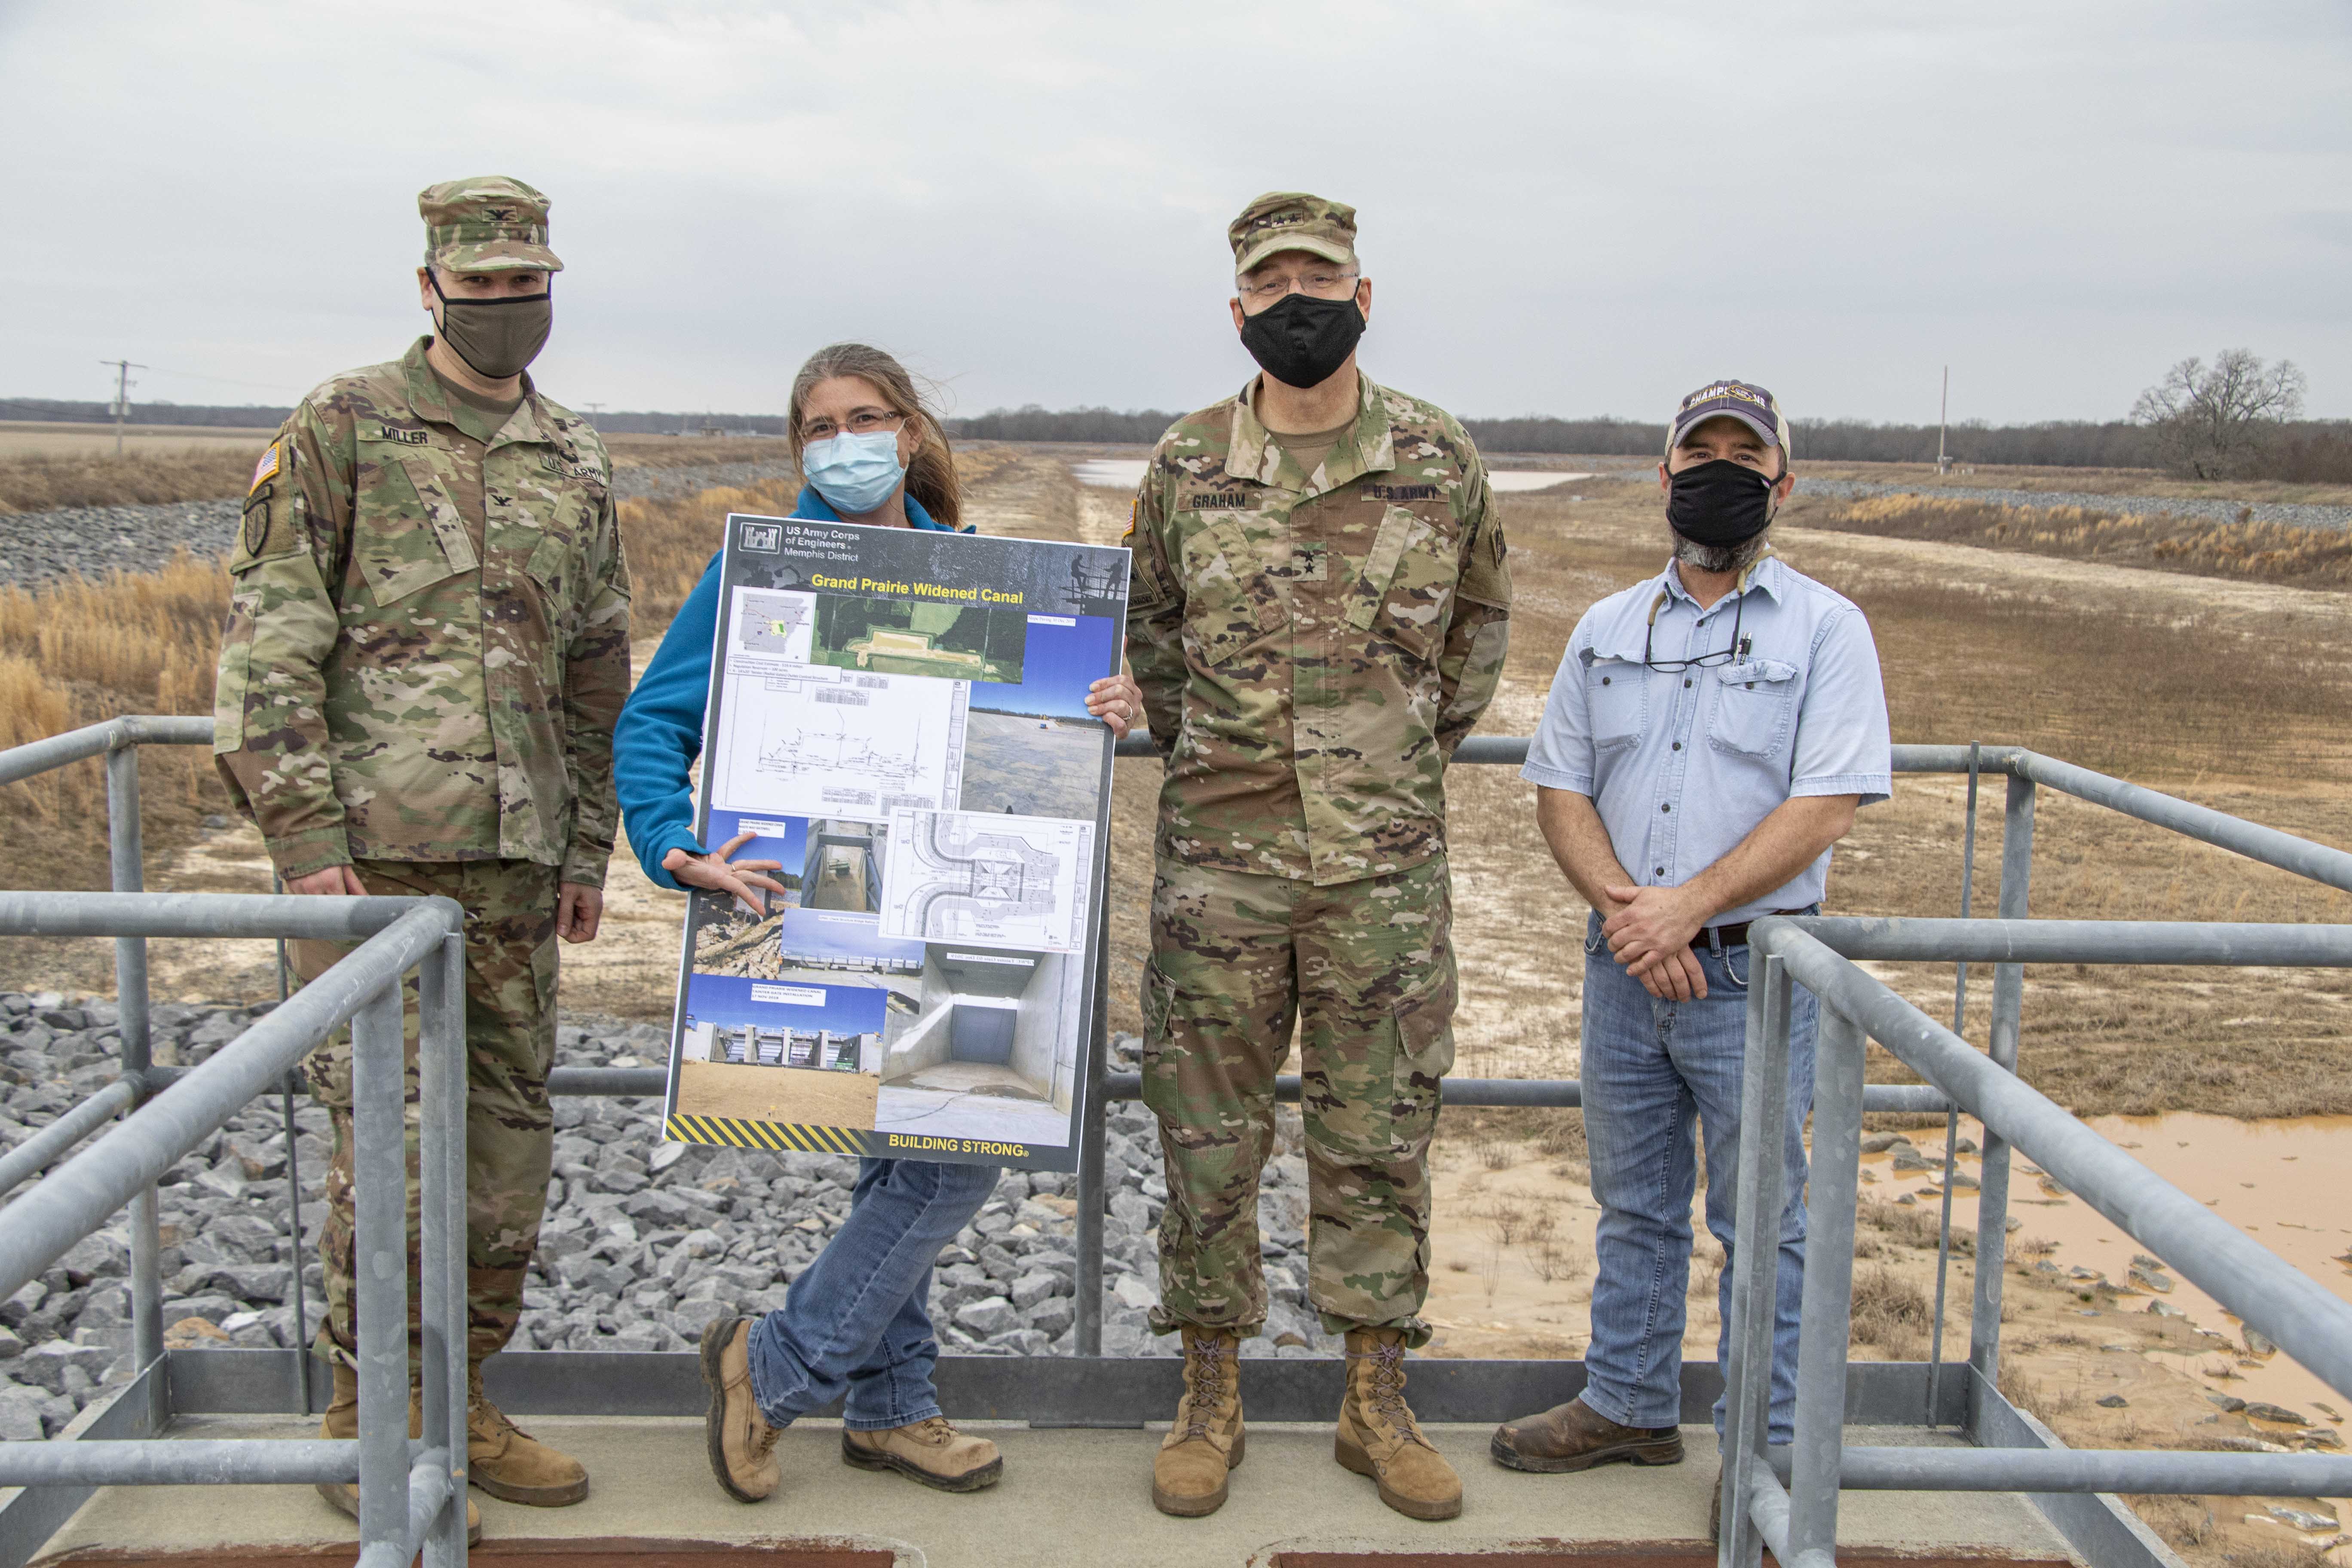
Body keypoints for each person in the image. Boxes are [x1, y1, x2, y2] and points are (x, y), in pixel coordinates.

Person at [612, 341, 1147, 1504]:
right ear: (799, 446)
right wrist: (673, 845)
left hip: (964, 910)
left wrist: (1102, 706)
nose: (842, 440)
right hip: (821, 902)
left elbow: (1042, 730)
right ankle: (792, 1368)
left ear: (908, 432)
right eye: (818, 426)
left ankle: (879, 1404)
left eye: (864, 417)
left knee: (932, 1152)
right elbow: (652, 724)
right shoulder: (764, 572)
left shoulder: (983, 570)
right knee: (937, 1166)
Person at [212, 176, 631, 1537]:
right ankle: (362, 1414)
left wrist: (585, 845)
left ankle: (461, 1400)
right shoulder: (343, 427)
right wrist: (304, 843)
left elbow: (593, 668)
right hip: (375, 876)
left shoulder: (573, 454)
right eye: (486, 284)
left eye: (529, 284)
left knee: (507, 1165)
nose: (510, 306)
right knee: (388, 1160)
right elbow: (270, 644)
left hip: (516, 878)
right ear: (432, 287)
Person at [1123, 193, 1512, 1522]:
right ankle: (1210, 1395)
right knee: (1207, 1137)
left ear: (1363, 291)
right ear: (1236, 307)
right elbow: (1152, 640)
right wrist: (1214, 757)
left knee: (1381, 1134)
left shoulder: (1439, 459)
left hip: (1381, 877)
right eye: (1270, 280)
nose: (1297, 297)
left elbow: (1476, 640)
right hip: (1217, 870)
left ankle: (1373, 1403)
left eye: (1319, 275)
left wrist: (1386, 770)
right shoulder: (1185, 465)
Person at [1488, 380, 1891, 1499]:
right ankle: (1628, 1405)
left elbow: (1827, 803)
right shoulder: (1611, 629)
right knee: (1636, 1200)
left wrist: (1692, 904)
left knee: (1767, 1219)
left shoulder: (1826, 628)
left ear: (1782, 482)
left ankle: (1765, 1448)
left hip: (1758, 970)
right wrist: (1634, 911)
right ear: (1664, 479)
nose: (1721, 469)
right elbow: (1561, 784)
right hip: (1626, 966)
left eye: (1744, 454)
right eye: (1698, 451)